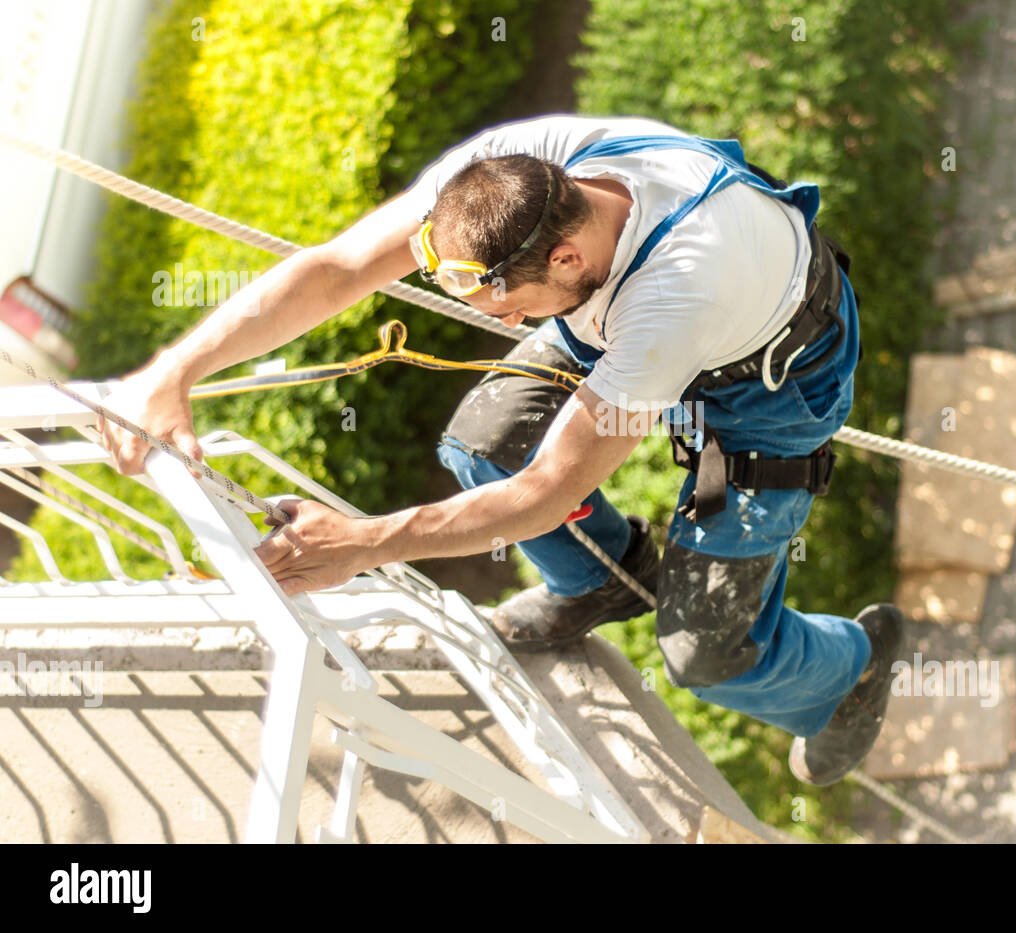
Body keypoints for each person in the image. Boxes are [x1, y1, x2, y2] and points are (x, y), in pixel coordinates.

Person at [100, 114, 906, 785]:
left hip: (769, 385)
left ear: (564, 258)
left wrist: (365, 544)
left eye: (511, 305)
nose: (512, 324)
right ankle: (600, 578)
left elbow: (551, 489)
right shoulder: (505, 181)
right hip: (624, 316)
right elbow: (339, 268)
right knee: (485, 444)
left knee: (704, 650)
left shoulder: (677, 292)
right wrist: (176, 370)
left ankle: (847, 672)